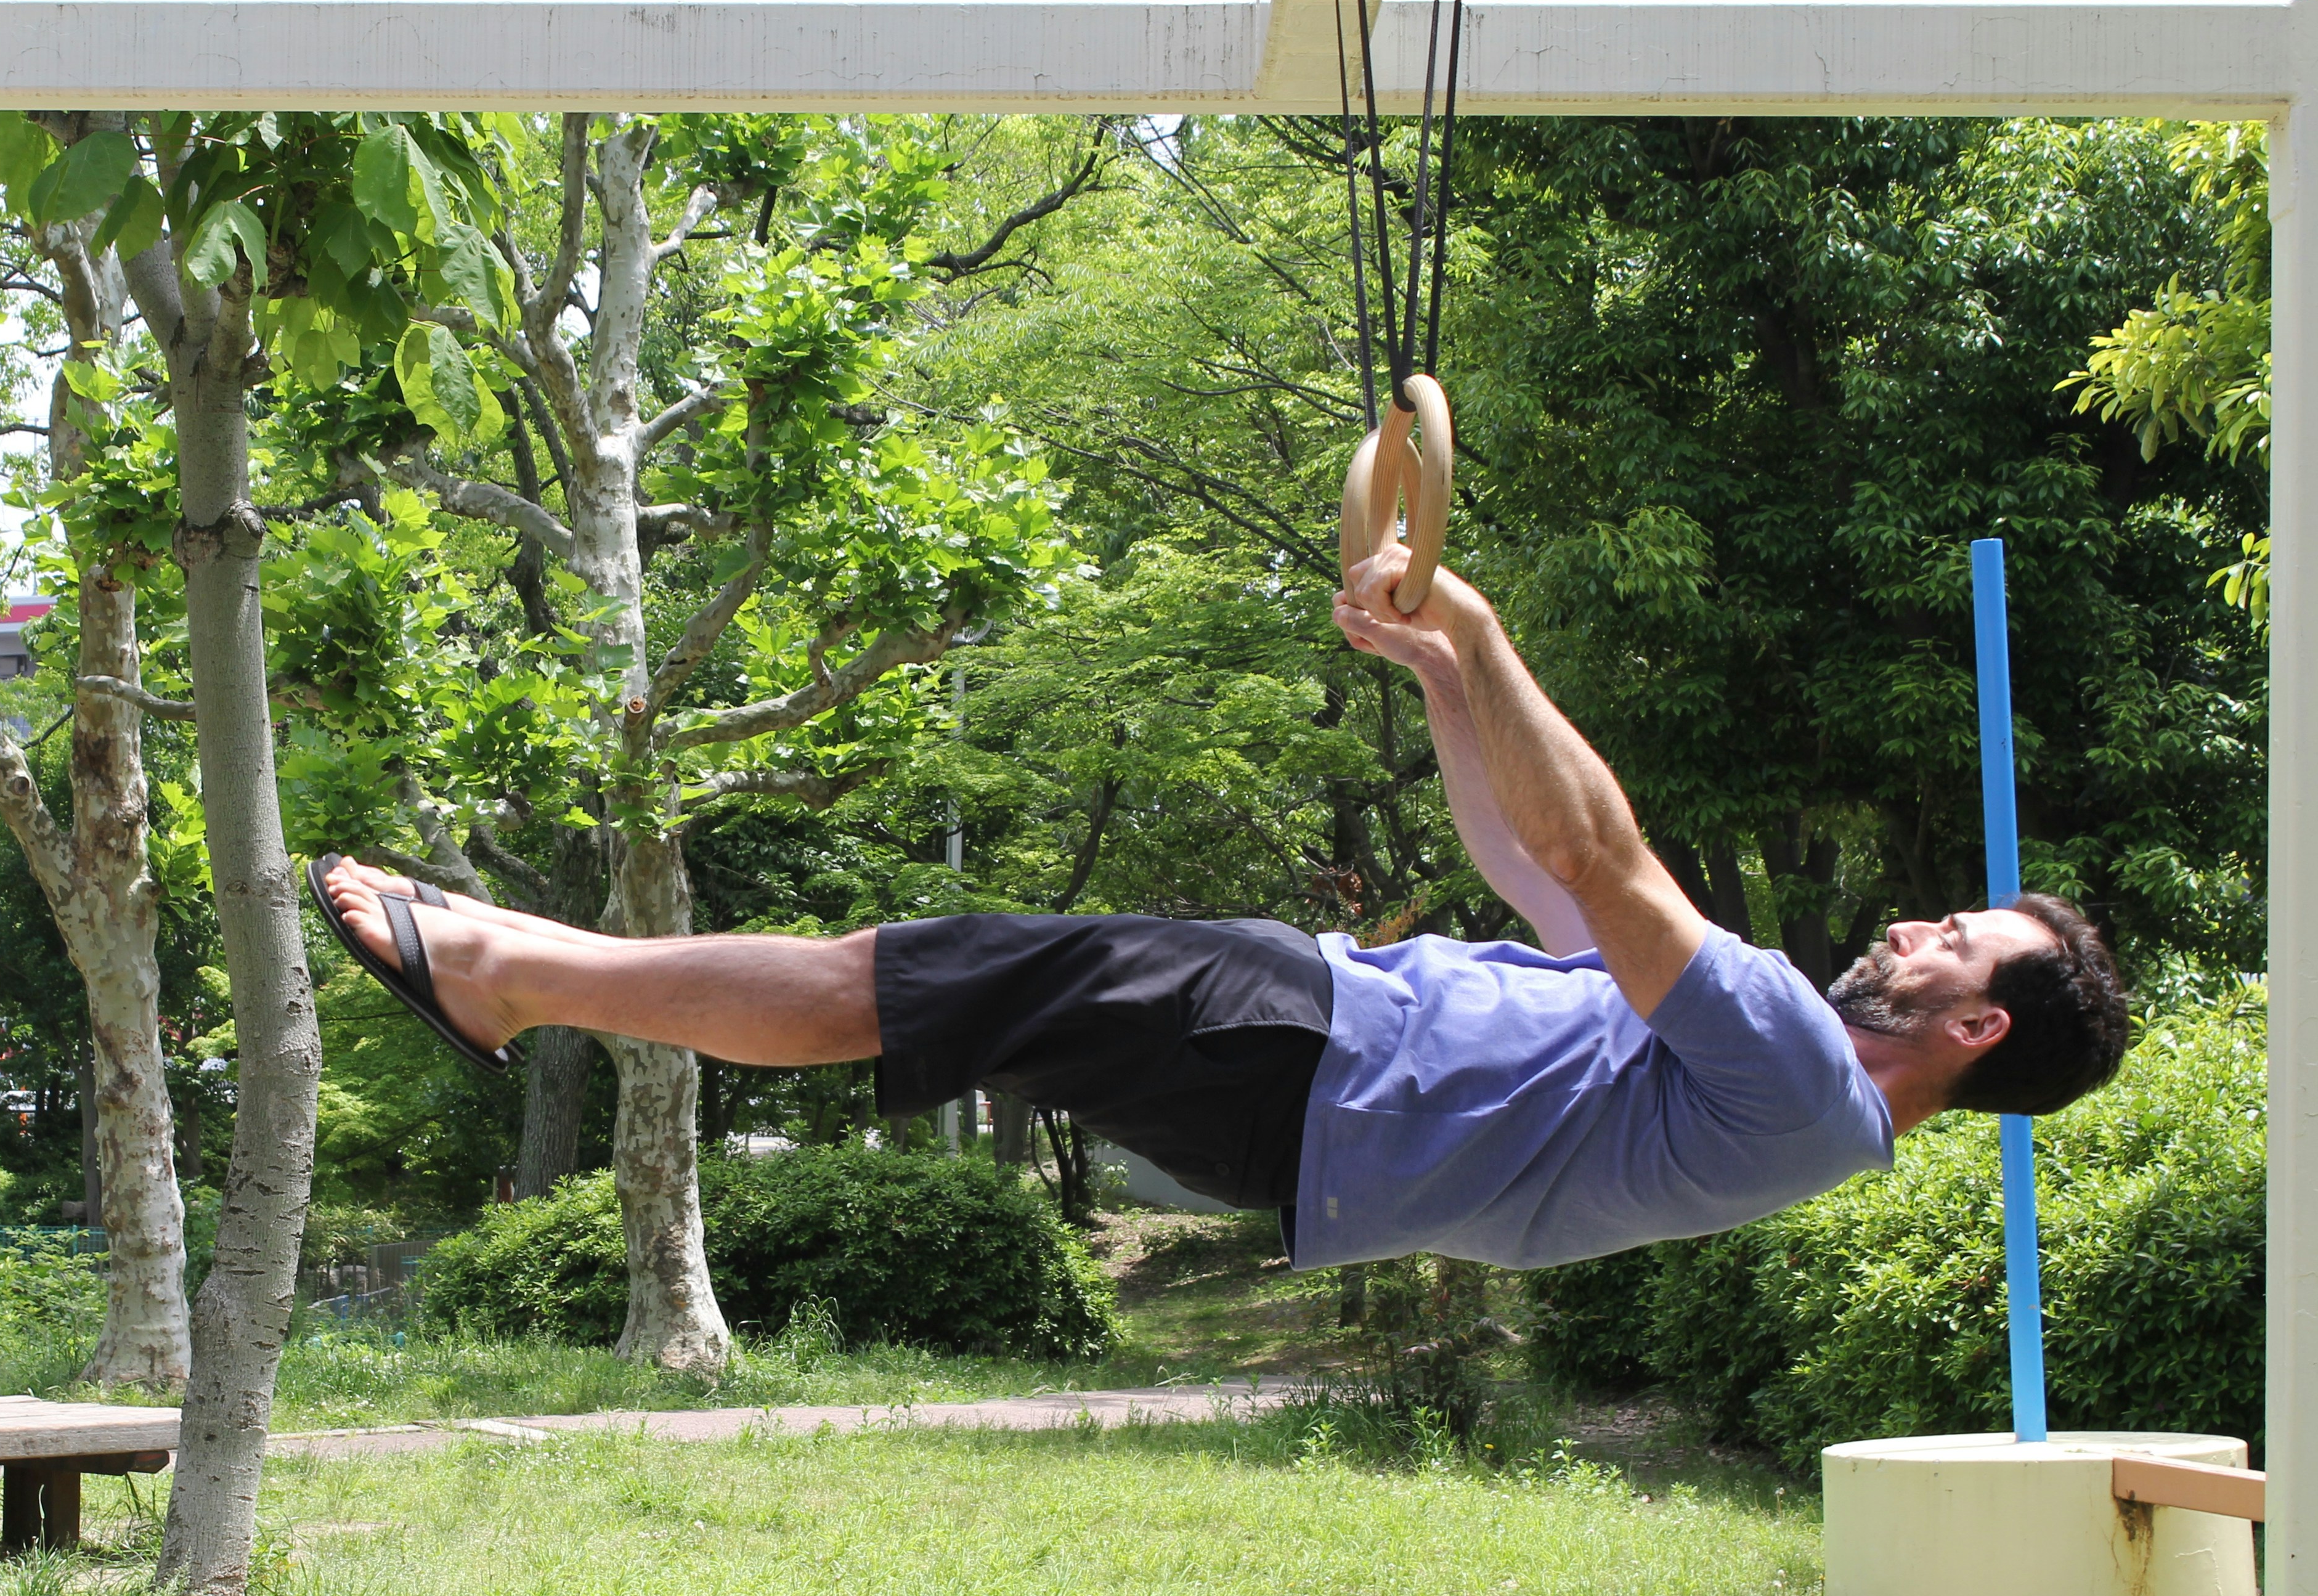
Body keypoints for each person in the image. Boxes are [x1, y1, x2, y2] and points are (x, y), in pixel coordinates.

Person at [310, 541, 2130, 1271]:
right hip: (1304, 1079)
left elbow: (1604, 861)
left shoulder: (1801, 1077)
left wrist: (1486, 630)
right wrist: (1435, 676)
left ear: (1979, 1030)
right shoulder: (1757, 1079)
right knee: (924, 988)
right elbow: (1530, 871)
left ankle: (504, 973)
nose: (1913, 925)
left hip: (1306, 1052)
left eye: (1958, 942)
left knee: (903, 981)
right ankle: (514, 973)